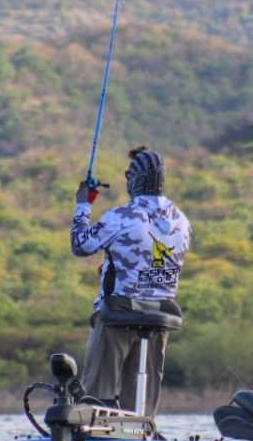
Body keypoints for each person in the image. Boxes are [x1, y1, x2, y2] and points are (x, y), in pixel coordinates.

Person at [70, 147, 192, 417]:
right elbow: (157, 263)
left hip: (118, 314)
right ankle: (141, 438)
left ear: (135, 179)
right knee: (141, 404)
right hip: (160, 316)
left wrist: (83, 204)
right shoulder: (182, 221)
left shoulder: (122, 216)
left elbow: (80, 245)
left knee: (95, 401)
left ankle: (94, 439)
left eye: (128, 175)